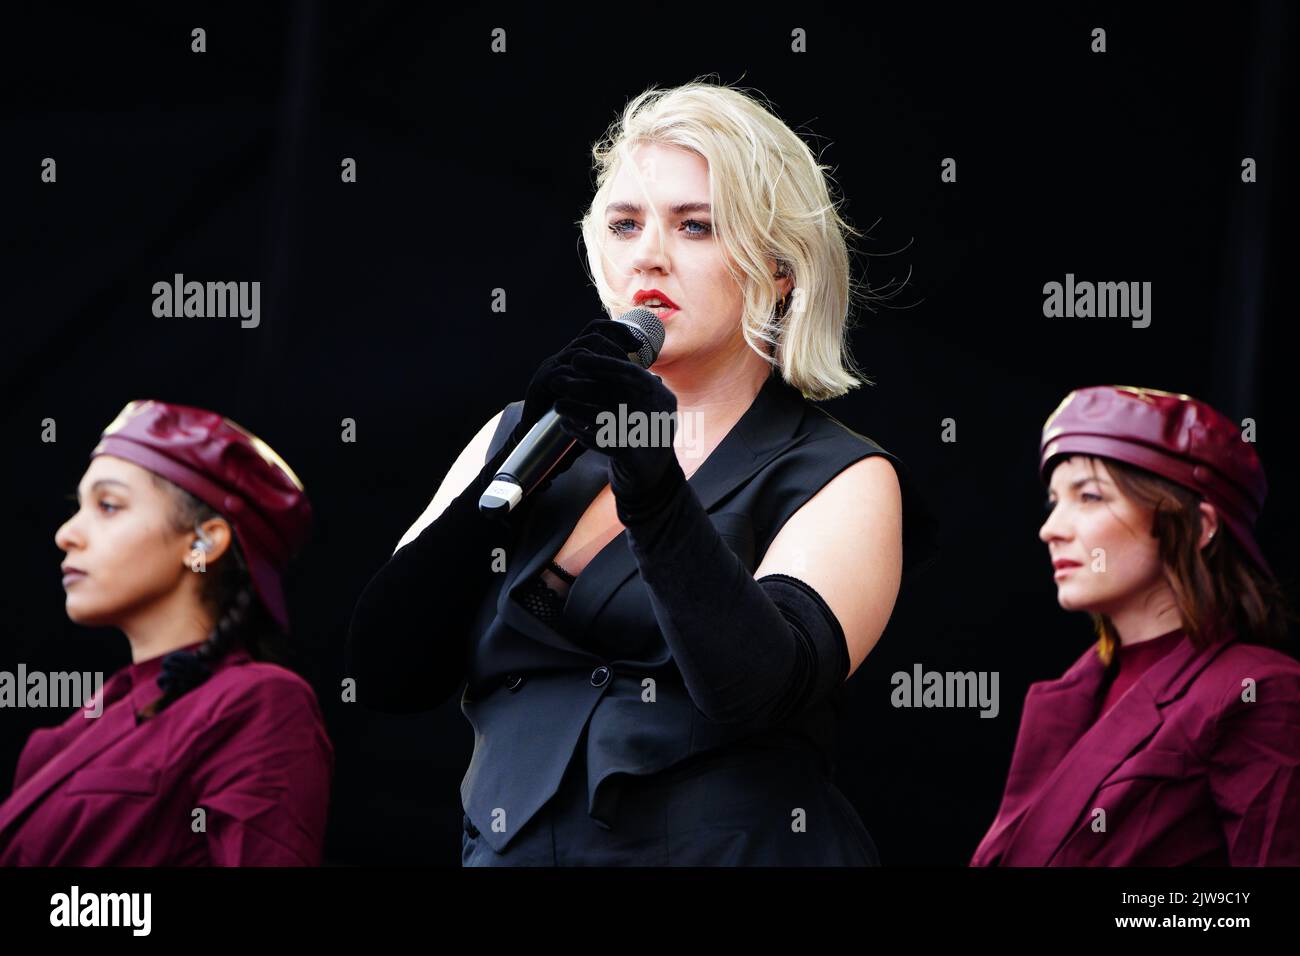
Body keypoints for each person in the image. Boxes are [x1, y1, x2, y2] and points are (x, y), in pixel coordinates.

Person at [349, 80, 938, 865]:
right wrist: (519, 464)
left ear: (780, 266)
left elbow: (757, 692)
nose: (649, 253)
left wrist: (654, 485)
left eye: (696, 226)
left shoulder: (840, 473)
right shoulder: (518, 435)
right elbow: (387, 670)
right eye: (625, 224)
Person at [971, 385, 1300, 866]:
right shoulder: (1073, 693)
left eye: (1089, 496)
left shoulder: (1259, 692)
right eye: (1053, 501)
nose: (1051, 528)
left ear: (1199, 525)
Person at [0, 400, 333, 865]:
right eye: (79, 507)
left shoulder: (259, 702)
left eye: (109, 506)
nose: (66, 534)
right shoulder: (67, 734)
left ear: (203, 541)